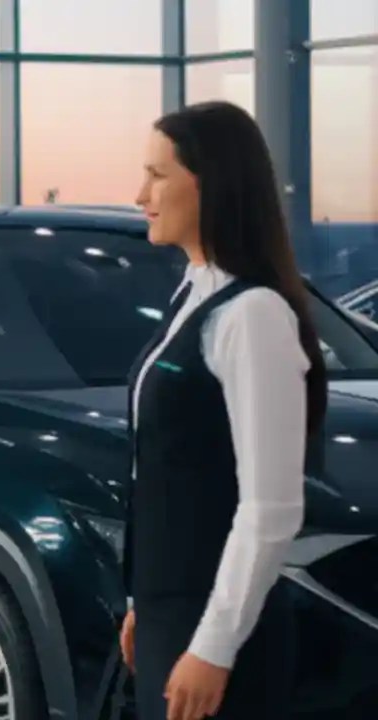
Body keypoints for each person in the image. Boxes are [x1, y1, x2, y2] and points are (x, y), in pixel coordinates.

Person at [119, 100, 326, 720]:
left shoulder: (252, 314)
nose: (140, 194)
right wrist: (144, 604)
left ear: (213, 183)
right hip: (172, 611)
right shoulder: (193, 289)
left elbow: (270, 509)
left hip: (219, 630)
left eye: (158, 175)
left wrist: (213, 645)